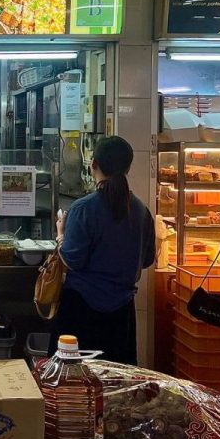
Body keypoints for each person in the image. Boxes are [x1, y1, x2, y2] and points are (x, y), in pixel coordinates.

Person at [53, 136, 155, 365]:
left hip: (81, 312)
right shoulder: (141, 211)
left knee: (77, 384)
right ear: (128, 168)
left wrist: (61, 235)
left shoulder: (83, 208)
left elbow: (72, 259)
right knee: (116, 384)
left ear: (93, 165)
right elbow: (147, 259)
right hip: (122, 315)